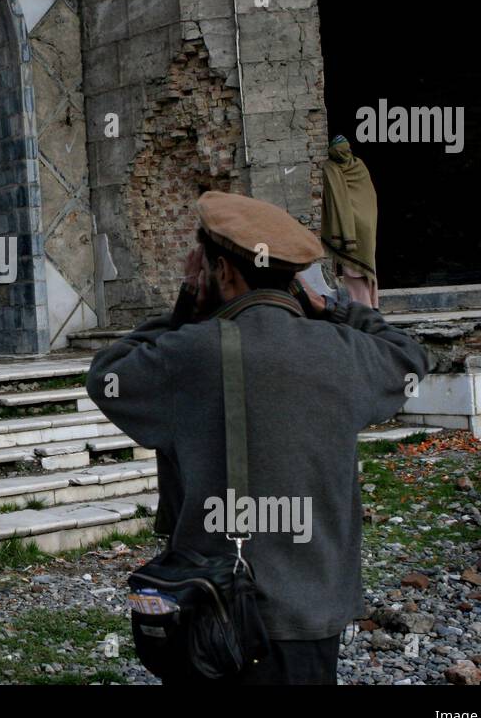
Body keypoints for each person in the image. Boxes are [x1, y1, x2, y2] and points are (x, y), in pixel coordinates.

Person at [88, 192, 428, 684]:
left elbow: (107, 376)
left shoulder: (190, 353)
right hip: (313, 613)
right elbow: (409, 356)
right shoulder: (343, 352)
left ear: (221, 272)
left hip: (211, 608)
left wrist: (186, 307)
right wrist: (333, 309)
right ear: (294, 277)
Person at [322, 134, 380, 308]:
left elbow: (334, 202)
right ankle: (372, 305)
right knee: (368, 266)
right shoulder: (359, 165)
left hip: (348, 228)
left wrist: (340, 230)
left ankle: (363, 308)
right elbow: (369, 197)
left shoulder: (330, 167)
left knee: (353, 270)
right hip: (367, 224)